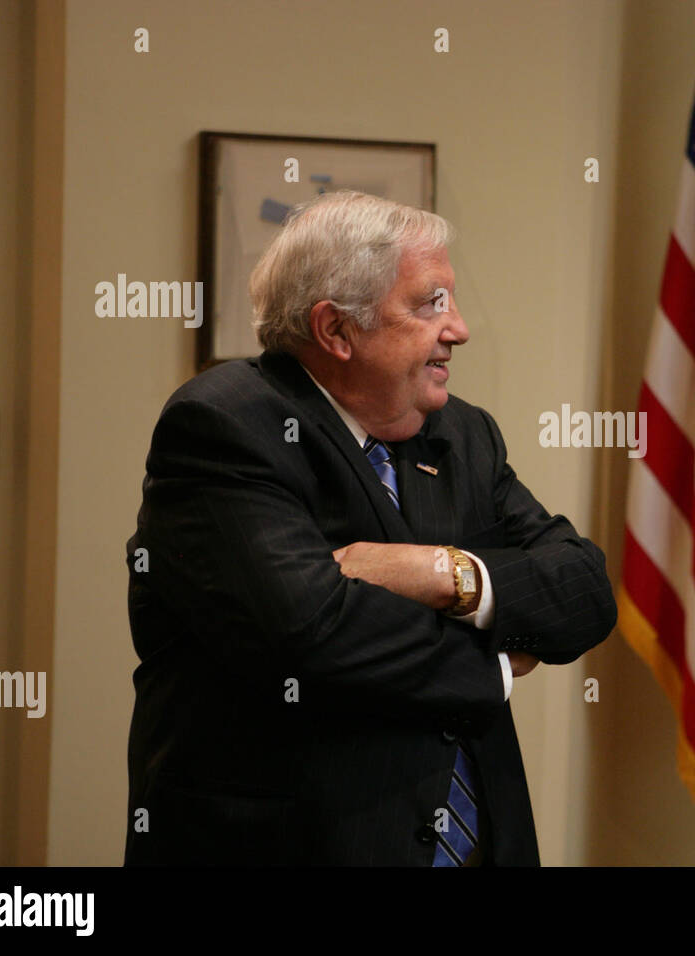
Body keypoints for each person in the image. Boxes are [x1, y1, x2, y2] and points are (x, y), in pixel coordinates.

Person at [124, 191, 616, 866]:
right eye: (430, 303)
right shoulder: (228, 423)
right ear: (336, 331)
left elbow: (585, 590)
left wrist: (447, 575)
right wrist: (497, 664)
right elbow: (312, 631)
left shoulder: (462, 433)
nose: (460, 328)